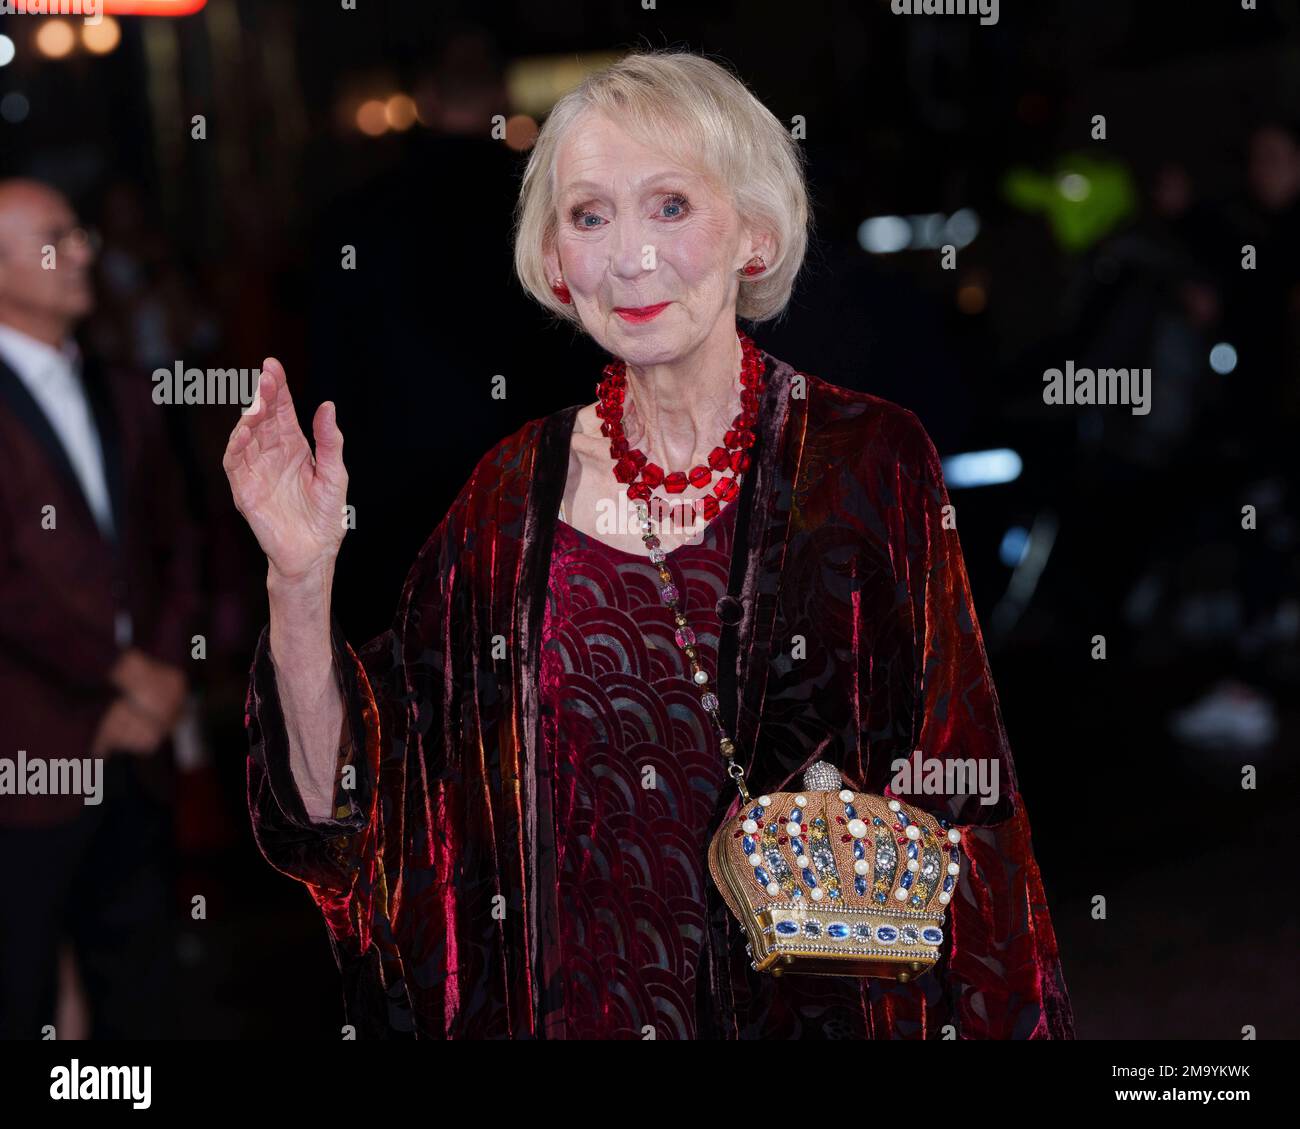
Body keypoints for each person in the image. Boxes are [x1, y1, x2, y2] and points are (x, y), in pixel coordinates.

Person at [228, 50, 1075, 1039]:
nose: (630, 256)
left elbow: (964, 800)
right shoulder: (508, 497)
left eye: (669, 205)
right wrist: (299, 577)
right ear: (553, 259)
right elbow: (355, 813)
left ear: (754, 233)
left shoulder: (867, 462)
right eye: (590, 215)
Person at [0, 179, 199, 1037]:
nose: (82, 252)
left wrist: (163, 675)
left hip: (136, 746)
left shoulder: (121, 389)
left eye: (81, 232)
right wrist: (123, 673)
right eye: (56, 238)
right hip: (27, 756)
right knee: (22, 995)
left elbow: (176, 543)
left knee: (142, 986)